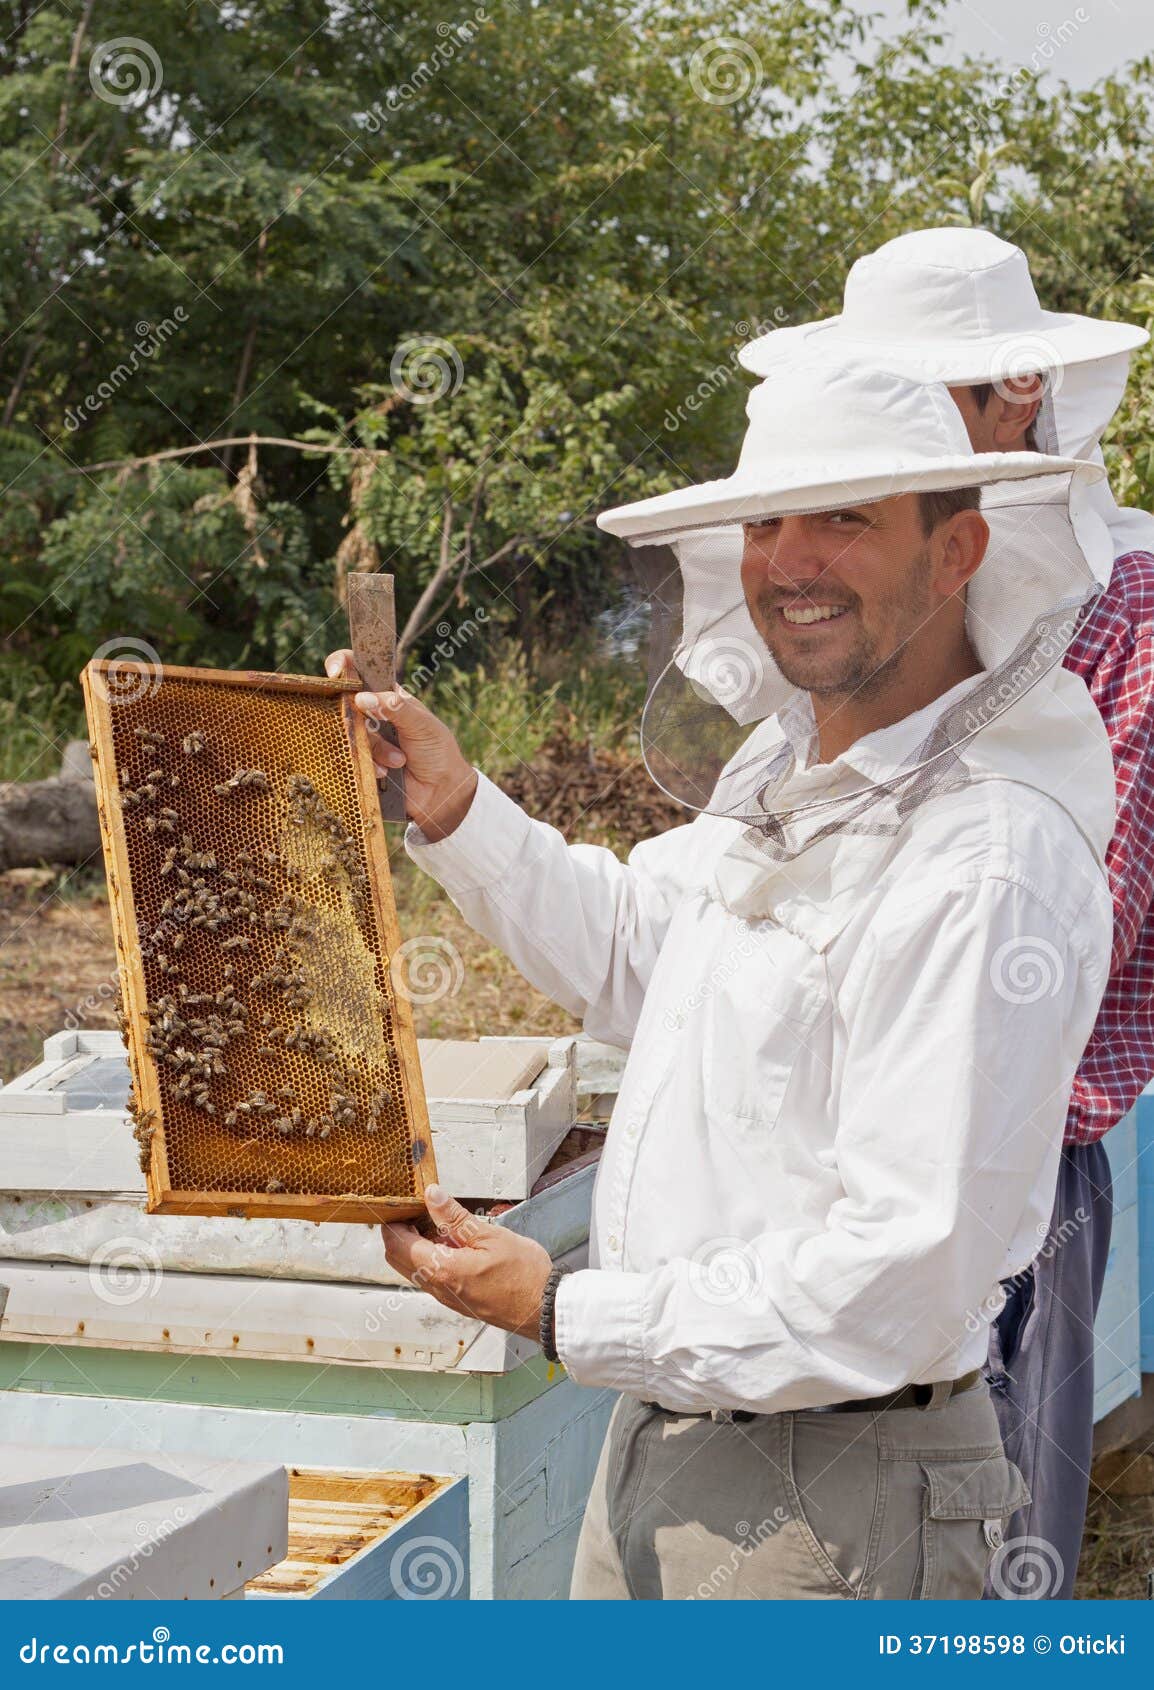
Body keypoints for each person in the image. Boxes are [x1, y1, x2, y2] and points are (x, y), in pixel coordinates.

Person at [327, 358, 1115, 1599]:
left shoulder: (984, 861)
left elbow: (902, 1272)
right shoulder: (787, 769)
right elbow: (649, 949)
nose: (788, 562)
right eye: (764, 523)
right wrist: (458, 806)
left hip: (840, 1497)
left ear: (955, 547)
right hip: (664, 1434)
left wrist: (567, 1309)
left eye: (843, 519)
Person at [737, 228, 1154, 1598]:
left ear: (1019, 390)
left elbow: (1052, 961)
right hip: (809, 1151)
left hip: (1008, 1180)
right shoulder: (868, 582)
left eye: (926, 400)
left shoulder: (1124, 611)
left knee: (981, 1573)